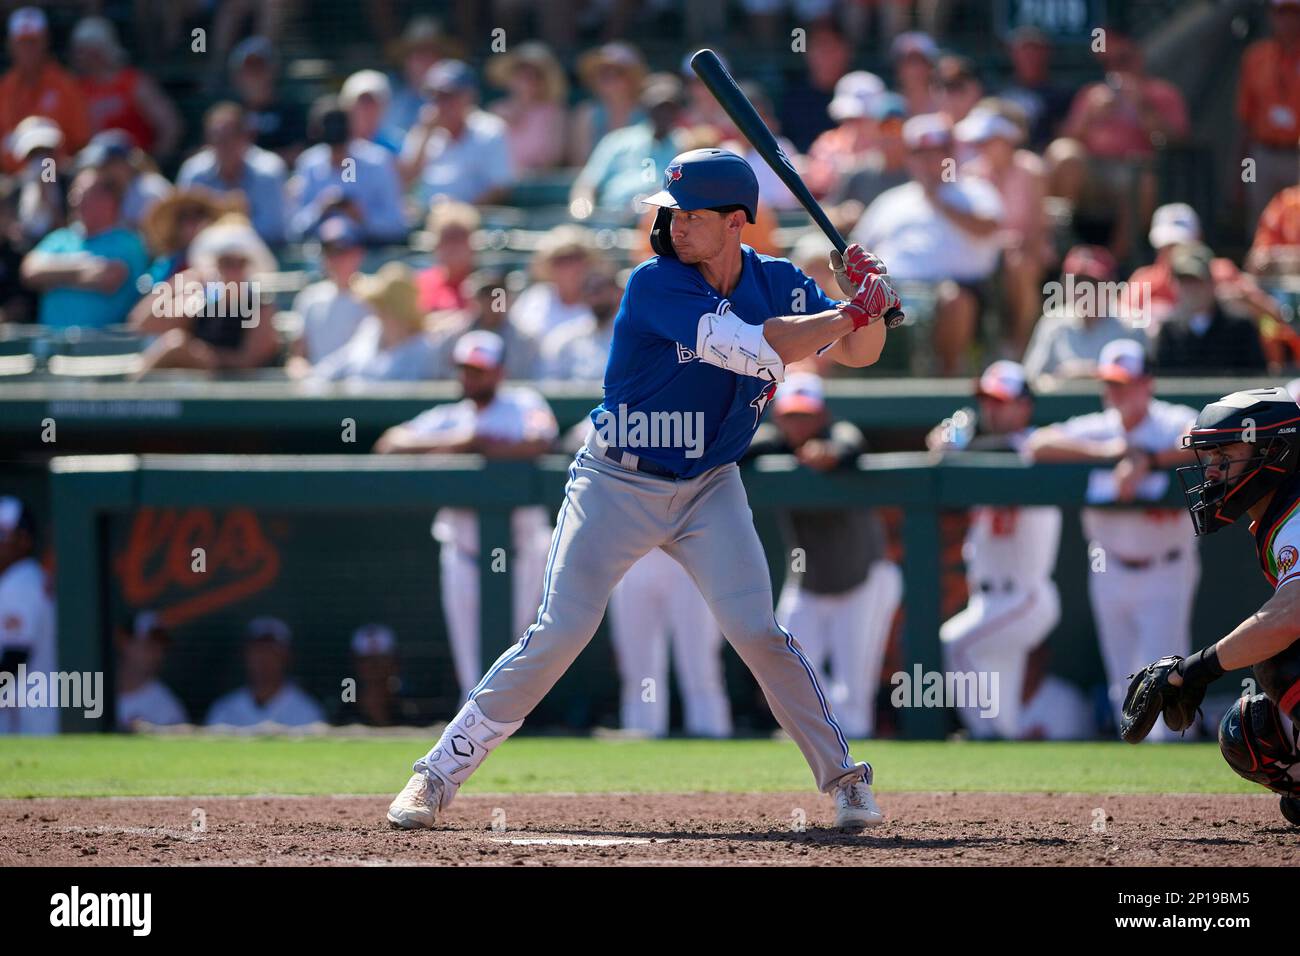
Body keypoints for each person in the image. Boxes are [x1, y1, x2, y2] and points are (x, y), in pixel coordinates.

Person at [385, 147, 901, 832]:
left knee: (758, 632)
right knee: (558, 632)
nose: (675, 226)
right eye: (673, 214)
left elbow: (860, 355)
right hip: (616, 480)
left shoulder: (777, 279)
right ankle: (436, 775)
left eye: (692, 216)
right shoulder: (656, 285)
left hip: (709, 487)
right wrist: (852, 310)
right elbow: (755, 346)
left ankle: (844, 782)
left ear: (736, 221)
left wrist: (866, 312)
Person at [1123, 386, 1300, 826]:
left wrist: (1196, 668)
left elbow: (1291, 615)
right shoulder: (1280, 512)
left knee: (1280, 659)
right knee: (1256, 730)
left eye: (1226, 457)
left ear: (1275, 451)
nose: (1214, 473)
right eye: (1211, 459)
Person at [1024, 339, 1199, 740]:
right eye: (1110, 383)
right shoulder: (1099, 427)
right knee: (1125, 689)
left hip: (1166, 566)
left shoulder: (1171, 421)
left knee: (1167, 683)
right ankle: (1137, 793)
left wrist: (1148, 459)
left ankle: (1175, 787)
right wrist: (1110, 452)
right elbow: (1037, 444)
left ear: (1146, 384)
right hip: (1109, 567)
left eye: (1125, 382)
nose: (1116, 392)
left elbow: (1204, 440)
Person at [374, 330, 558, 700]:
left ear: (499, 372)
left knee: (515, 657)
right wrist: (464, 442)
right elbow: (389, 444)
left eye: (479, 370)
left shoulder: (523, 403)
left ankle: (508, 732)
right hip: (463, 551)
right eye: (465, 369)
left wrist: (485, 445)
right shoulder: (449, 417)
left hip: (522, 551)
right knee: (471, 669)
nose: (471, 377)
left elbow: (540, 440)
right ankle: (470, 739)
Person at [748, 372, 903, 740]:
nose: (797, 424)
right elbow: (743, 449)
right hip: (810, 580)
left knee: (854, 694)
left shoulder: (841, 433)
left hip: (863, 576)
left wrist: (829, 454)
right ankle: (811, 741)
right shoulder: (773, 443)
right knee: (786, 667)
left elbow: (852, 446)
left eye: (805, 415)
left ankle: (854, 769)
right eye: (790, 416)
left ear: (821, 416)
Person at [927, 362, 1063, 740]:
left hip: (1024, 596)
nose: (993, 409)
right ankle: (1008, 780)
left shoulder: (1035, 443)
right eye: (988, 401)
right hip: (987, 600)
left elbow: (1005, 451)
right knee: (1004, 715)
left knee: (954, 643)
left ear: (1024, 406)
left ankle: (986, 738)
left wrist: (953, 447)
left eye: (1003, 401)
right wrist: (947, 447)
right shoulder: (973, 456)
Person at [850, 113, 1003, 375]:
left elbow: (988, 227)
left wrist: (939, 201)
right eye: (921, 153)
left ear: (950, 155)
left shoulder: (973, 191)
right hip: (894, 289)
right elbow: (855, 249)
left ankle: (946, 380)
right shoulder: (892, 200)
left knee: (954, 300)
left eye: (937, 152)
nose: (930, 161)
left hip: (957, 290)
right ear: (910, 158)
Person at [132, 215, 281, 374]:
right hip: (198, 386)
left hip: (241, 391)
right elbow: (143, 323)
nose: (233, 270)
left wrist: (201, 355)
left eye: (240, 263)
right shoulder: (200, 301)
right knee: (172, 343)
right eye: (226, 262)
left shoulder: (262, 307)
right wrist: (185, 280)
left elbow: (248, 362)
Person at [957, 103, 1048, 352]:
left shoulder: (1032, 170)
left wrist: (1016, 245)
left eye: (987, 141)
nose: (981, 148)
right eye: (979, 142)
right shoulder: (970, 173)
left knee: (1021, 266)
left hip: (1025, 250)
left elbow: (1038, 226)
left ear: (1006, 140)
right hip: (981, 251)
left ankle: (1018, 345)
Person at [21, 166, 149, 330]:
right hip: (52, 346)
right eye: (74, 193)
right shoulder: (61, 237)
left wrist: (52, 277)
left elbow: (108, 278)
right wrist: (83, 269)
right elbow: (29, 271)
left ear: (109, 199)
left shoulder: (128, 241)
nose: (75, 200)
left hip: (104, 349)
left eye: (84, 194)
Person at [1022, 244, 1145, 387]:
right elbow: (1030, 381)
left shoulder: (1132, 326)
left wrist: (1097, 374)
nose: (1084, 292)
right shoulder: (1052, 323)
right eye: (1076, 283)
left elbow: (1142, 382)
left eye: (1093, 284)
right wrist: (1059, 380)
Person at [288, 97, 407, 243]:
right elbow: (293, 228)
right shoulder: (309, 163)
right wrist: (320, 209)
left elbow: (397, 225)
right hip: (320, 254)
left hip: (370, 251)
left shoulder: (377, 162)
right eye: (332, 147)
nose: (338, 154)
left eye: (341, 145)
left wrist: (362, 218)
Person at [570, 73, 687, 219]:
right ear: (646, 108)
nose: (663, 114)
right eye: (657, 107)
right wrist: (583, 213)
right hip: (611, 221)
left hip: (661, 224)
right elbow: (586, 184)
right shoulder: (617, 141)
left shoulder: (686, 145)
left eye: (669, 108)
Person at [400, 60, 513, 207]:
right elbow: (404, 183)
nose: (439, 103)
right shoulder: (423, 131)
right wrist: (425, 134)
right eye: (433, 96)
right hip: (425, 221)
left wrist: (459, 214)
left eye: (448, 96)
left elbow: (500, 188)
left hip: (477, 223)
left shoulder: (490, 130)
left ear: (468, 96)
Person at [71, 15, 182, 160]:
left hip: (132, 168)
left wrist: (153, 162)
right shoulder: (76, 88)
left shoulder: (133, 83)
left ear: (96, 52)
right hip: (94, 170)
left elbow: (171, 126)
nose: (76, 57)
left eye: (81, 51)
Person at [177, 103, 288, 246]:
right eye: (215, 138)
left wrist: (219, 228)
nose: (222, 145)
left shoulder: (269, 171)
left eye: (229, 137)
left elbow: (274, 231)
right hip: (204, 256)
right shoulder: (193, 172)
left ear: (246, 137)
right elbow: (181, 225)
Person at [309, 261, 436, 383]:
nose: (379, 310)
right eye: (380, 303)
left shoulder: (424, 350)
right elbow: (335, 365)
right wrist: (312, 379)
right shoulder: (369, 329)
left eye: (384, 304)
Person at [1153, 243, 1268, 376]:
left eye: (1196, 281)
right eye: (1184, 282)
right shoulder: (1169, 330)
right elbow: (1163, 383)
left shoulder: (1241, 326)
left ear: (1211, 282)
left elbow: (1257, 380)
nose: (1190, 289)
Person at [0, 7, 89, 172]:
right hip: (11, 183)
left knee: (45, 169)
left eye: (33, 42)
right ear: (10, 45)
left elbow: (81, 142)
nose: (28, 49)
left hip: (56, 176)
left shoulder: (65, 85)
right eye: (22, 42)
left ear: (45, 41)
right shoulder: (4, 89)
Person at [1237, 0, 1300, 232]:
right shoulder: (1255, 57)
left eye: (1294, 14)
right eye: (1281, 14)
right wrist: (1243, 173)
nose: (1288, 21)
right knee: (1259, 217)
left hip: (1297, 156)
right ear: (1271, 16)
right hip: (1260, 155)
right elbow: (1246, 119)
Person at [0, 496, 56, 735]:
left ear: (24, 540)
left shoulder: (20, 582)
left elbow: (16, 656)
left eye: (2, 535)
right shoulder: (28, 578)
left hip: (29, 712)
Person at [205, 617, 326, 728]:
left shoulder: (307, 711)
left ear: (286, 656)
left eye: (271, 652)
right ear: (245, 655)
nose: (264, 659)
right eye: (257, 651)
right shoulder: (225, 709)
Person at [287, 215, 370, 370]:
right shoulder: (308, 298)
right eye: (329, 250)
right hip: (316, 389)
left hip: (360, 387)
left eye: (342, 250)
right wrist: (303, 375)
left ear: (359, 253)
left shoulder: (374, 296)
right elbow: (297, 357)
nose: (335, 258)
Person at [486, 41, 568, 174]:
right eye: (520, 73)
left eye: (535, 75)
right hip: (498, 186)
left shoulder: (555, 112)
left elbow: (553, 157)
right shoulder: (495, 110)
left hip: (537, 186)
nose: (526, 80)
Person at [509, 225, 600, 338]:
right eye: (561, 260)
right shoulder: (535, 298)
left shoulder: (600, 301)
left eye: (576, 258)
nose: (570, 268)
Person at [76, 129, 173, 231]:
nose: (100, 172)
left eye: (105, 166)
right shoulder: (122, 189)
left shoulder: (149, 191)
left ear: (123, 164)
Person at [225, 36, 306, 160]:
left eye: (259, 67)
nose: (254, 76)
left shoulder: (290, 110)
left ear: (273, 71)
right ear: (237, 76)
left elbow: (297, 153)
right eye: (248, 69)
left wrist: (256, 163)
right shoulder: (228, 114)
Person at [778, 21, 852, 153]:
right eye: (820, 46)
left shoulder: (856, 91)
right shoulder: (793, 98)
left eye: (831, 47)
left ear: (845, 51)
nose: (826, 55)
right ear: (808, 53)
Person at [569, 42, 647, 166]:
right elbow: (581, 163)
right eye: (603, 72)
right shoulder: (585, 114)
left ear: (633, 78)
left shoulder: (649, 111)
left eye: (618, 72)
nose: (609, 77)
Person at [539, 267, 623, 381]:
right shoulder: (565, 338)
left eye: (599, 289)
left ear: (618, 292)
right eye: (589, 290)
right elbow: (550, 382)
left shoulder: (635, 336)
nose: (595, 297)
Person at [998, 26, 1072, 152]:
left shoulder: (1062, 95)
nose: (1029, 56)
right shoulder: (1000, 93)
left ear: (1046, 53)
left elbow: (1065, 136)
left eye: (1035, 50)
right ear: (1013, 53)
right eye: (1023, 50)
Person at [116, 611, 188, 730]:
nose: (157, 654)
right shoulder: (90, 689)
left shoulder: (166, 706)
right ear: (124, 642)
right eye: (149, 645)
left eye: (161, 648)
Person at [337, 624, 402, 726]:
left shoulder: (411, 707)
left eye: (382, 658)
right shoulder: (343, 713)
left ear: (395, 661)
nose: (374, 666)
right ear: (354, 662)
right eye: (366, 659)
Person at [340, 69, 402, 155]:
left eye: (372, 102)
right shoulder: (335, 146)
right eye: (362, 101)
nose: (366, 109)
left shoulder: (398, 144)